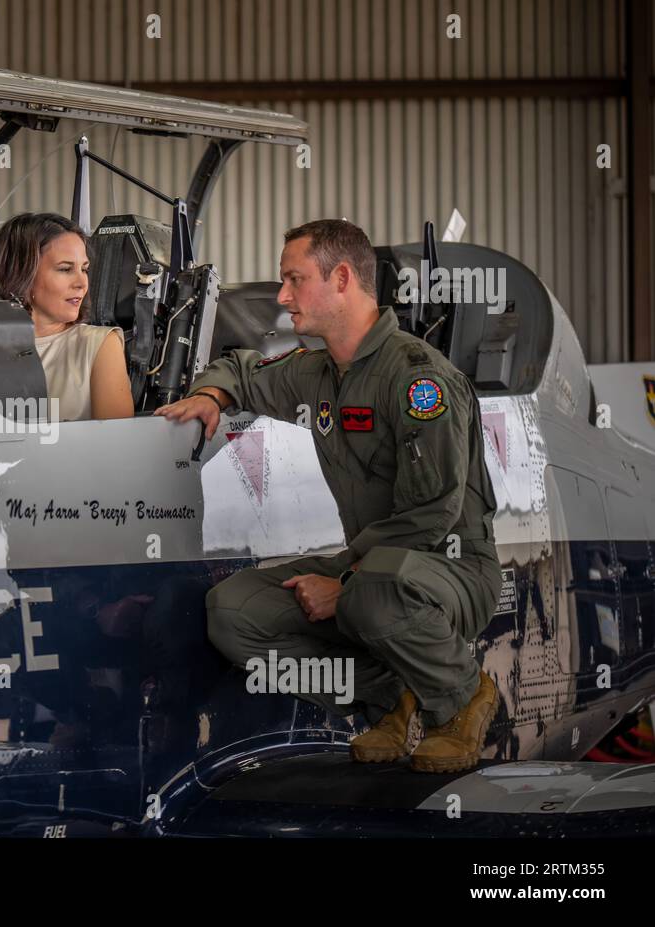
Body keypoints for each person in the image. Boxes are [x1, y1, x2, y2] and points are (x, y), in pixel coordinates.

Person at [155, 218, 502, 773]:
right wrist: (211, 395)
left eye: (294, 279)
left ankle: (461, 699)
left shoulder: (419, 380)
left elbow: (430, 514)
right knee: (232, 612)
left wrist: (344, 584)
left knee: (372, 595)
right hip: (372, 569)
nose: (282, 296)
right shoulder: (319, 372)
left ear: (341, 278)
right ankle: (391, 695)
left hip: (452, 571)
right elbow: (241, 369)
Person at [0, 213, 133, 421]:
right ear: (21, 273)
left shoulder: (99, 345)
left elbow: (116, 446)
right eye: (65, 269)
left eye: (84, 269)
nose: (82, 283)